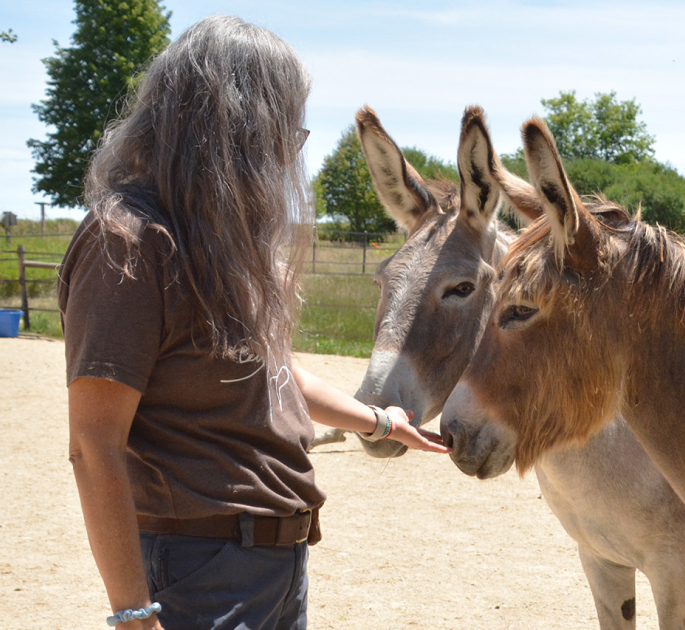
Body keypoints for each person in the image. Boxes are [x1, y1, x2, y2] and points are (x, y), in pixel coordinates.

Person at [59, 15, 449, 630]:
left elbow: (276, 374)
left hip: (273, 564)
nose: (288, 154)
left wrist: (379, 421)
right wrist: (133, 614)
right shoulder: (131, 243)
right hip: (200, 569)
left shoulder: (219, 242)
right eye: (284, 131)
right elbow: (93, 444)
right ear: (232, 126)